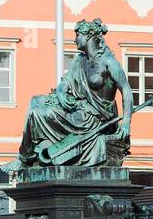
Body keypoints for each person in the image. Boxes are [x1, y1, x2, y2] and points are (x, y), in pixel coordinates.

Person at [17, 18, 133, 169]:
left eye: (78, 35)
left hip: (96, 118)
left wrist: (125, 123)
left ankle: (25, 159)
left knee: (37, 114)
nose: (75, 40)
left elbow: (126, 90)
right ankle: (27, 157)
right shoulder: (80, 59)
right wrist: (60, 93)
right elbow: (66, 81)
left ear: (89, 36)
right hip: (79, 110)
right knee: (36, 101)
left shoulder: (109, 62)